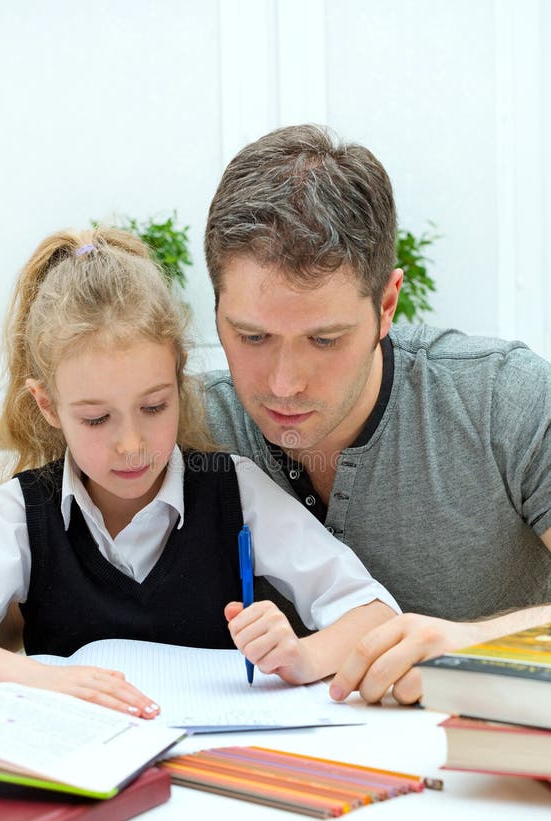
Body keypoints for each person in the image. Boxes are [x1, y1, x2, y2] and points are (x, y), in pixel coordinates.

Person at [0, 226, 400, 717]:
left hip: (215, 752)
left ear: (179, 377)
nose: (131, 444)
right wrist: (45, 680)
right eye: (96, 418)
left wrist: (303, 657)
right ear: (47, 405)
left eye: (154, 407)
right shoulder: (18, 512)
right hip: (79, 756)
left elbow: (373, 614)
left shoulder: (235, 490)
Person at [202, 123, 551, 706]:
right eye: (252, 337)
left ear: (387, 304)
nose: (284, 385)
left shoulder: (502, 399)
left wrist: (472, 643)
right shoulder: (182, 428)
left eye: (324, 340)